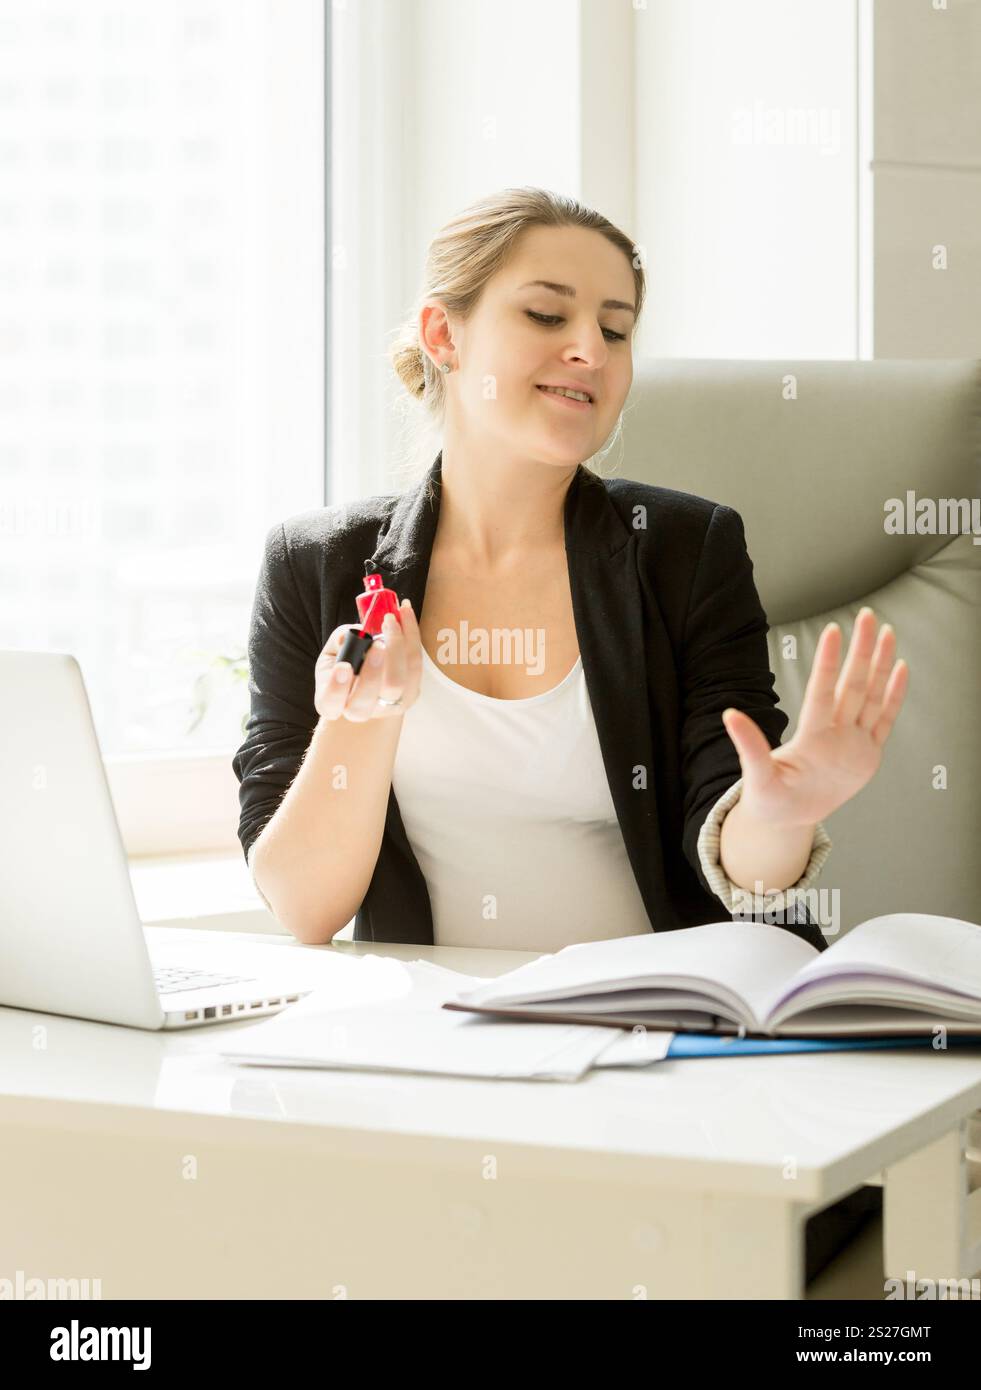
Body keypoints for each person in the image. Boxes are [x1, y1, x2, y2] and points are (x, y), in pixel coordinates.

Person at [233, 186, 906, 1286]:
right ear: (444, 335)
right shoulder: (317, 565)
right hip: (451, 1059)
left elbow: (737, 856)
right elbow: (307, 906)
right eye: (547, 315)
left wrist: (779, 812)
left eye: (618, 326)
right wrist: (367, 723)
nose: (588, 348)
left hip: (678, 1062)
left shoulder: (681, 548)